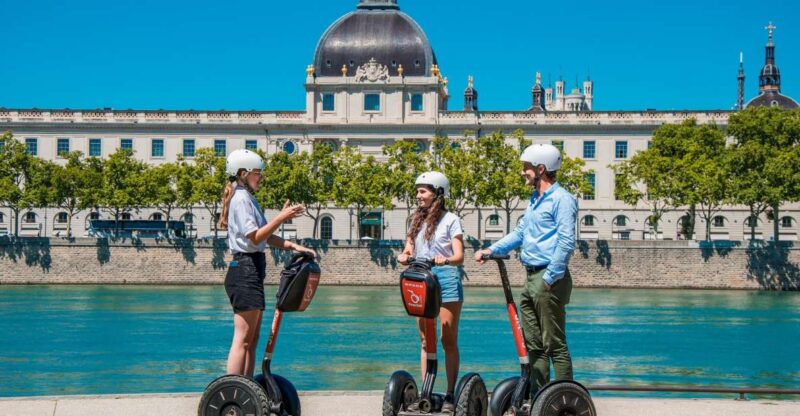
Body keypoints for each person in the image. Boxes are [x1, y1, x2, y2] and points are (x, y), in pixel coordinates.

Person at [474, 143, 578, 396]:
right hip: (531, 275)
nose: (522, 172)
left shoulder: (562, 199)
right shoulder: (534, 200)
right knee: (534, 345)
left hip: (548, 277)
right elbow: (521, 233)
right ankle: (541, 398)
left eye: (526, 168)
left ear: (541, 169)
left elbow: (566, 241)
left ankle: (565, 399)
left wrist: (551, 277)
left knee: (554, 344)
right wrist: (491, 250)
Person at [218, 149, 315, 376]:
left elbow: (266, 235)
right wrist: (281, 217)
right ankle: (234, 388)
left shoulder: (248, 198)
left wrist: (294, 246)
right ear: (243, 173)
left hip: (252, 268)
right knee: (242, 339)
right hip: (244, 269)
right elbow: (255, 237)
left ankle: (247, 387)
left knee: (253, 339)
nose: (260, 177)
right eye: (257, 173)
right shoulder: (241, 198)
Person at [397, 171, 465, 413]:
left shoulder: (451, 220)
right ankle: (425, 393)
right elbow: (409, 247)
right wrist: (404, 256)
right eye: (417, 191)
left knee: (448, 340)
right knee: (426, 341)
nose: (418, 195)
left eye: (423, 191)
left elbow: (459, 256)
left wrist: (444, 259)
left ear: (438, 193)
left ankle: (449, 394)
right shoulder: (415, 220)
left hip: (445, 280)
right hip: (422, 279)